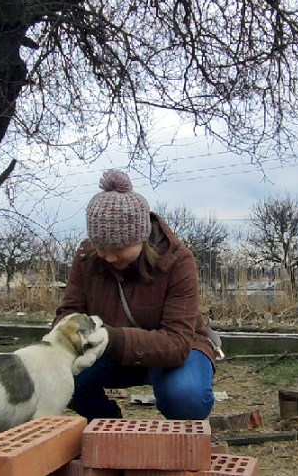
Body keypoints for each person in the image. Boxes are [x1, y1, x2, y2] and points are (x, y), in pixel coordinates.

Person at [54, 169, 216, 421]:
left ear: (141, 238)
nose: (108, 257)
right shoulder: (87, 258)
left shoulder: (178, 261)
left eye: (118, 249)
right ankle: (108, 427)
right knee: (60, 377)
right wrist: (67, 336)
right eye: (101, 248)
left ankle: (181, 435)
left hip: (176, 351)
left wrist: (110, 337)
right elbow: (69, 313)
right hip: (109, 351)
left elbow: (176, 343)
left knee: (187, 397)